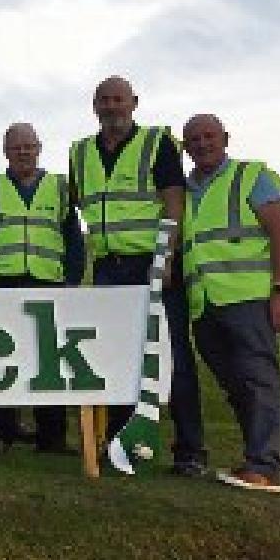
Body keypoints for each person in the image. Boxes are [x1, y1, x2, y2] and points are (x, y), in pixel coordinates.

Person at [69, 75, 207, 475]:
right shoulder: (80, 152)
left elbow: (174, 203)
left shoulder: (156, 143)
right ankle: (121, 443)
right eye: (104, 100)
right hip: (109, 267)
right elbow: (80, 204)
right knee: (118, 357)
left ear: (133, 103)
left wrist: (165, 259)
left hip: (151, 265)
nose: (111, 106)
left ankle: (190, 451)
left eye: (118, 99)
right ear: (94, 105)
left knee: (172, 355)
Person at [181, 114, 280, 493]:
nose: (202, 144)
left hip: (247, 298)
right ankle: (256, 457)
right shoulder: (185, 189)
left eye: (209, 136)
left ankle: (266, 466)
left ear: (225, 138)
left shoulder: (251, 176)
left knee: (259, 380)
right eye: (193, 140)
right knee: (235, 384)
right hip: (205, 302)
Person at [0, 123, 85, 454]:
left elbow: (73, 237)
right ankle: (1, 433)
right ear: (5, 152)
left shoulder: (59, 187)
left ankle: (51, 437)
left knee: (48, 363)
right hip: (2, 281)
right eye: (15, 148)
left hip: (48, 281)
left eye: (29, 147)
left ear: (39, 148)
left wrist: (73, 277)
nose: (23, 153)